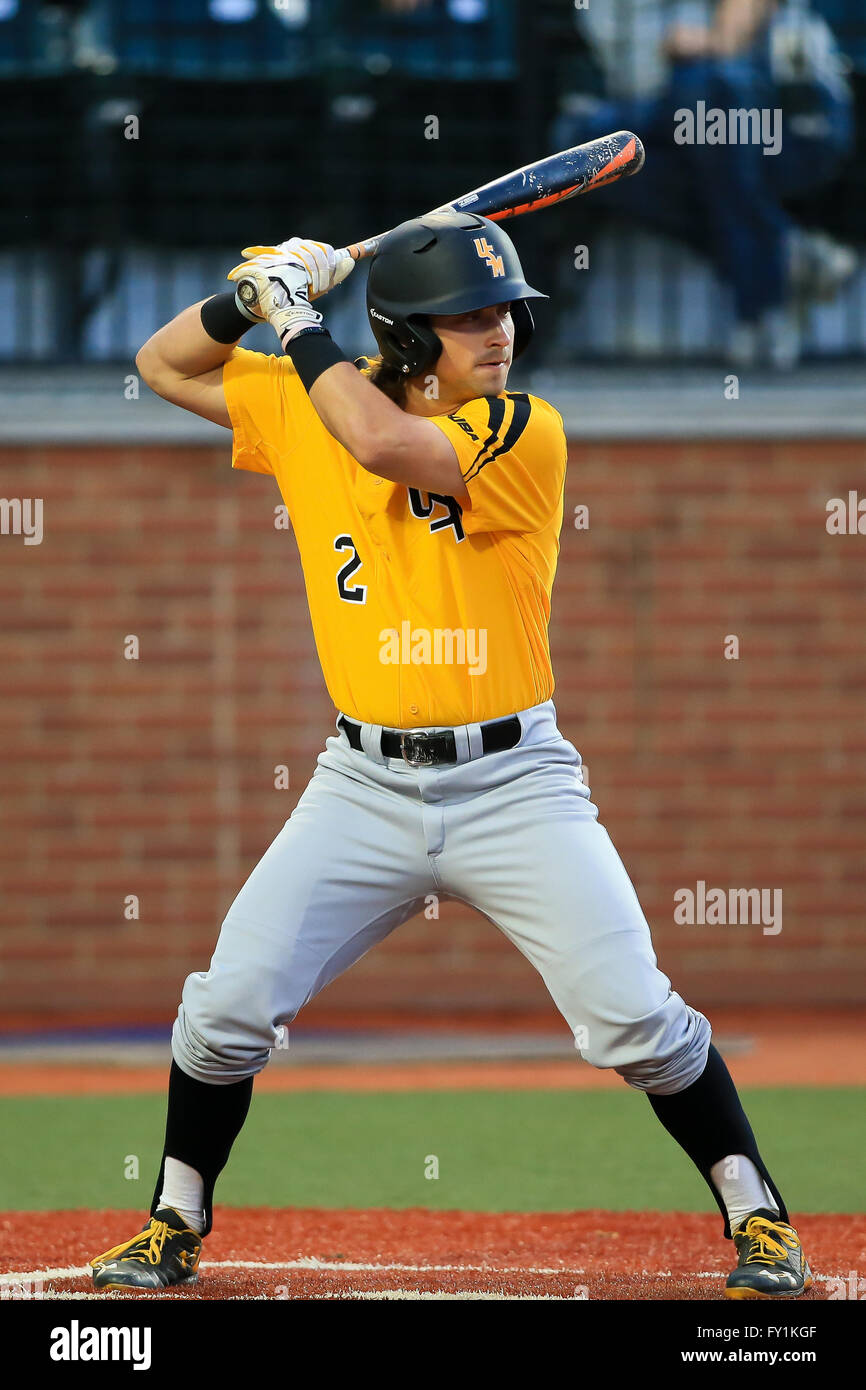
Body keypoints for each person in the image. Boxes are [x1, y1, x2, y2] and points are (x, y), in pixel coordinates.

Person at [88, 217, 811, 1299]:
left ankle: (759, 1219)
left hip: (514, 781)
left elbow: (384, 446)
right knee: (225, 1007)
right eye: (468, 317)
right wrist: (252, 301)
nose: (500, 331)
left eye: (503, 311)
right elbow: (158, 363)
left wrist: (292, 319)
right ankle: (172, 1221)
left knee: (631, 1016)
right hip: (359, 784)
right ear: (409, 336)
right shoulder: (301, 397)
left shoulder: (522, 428)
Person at [552, 0, 857, 366]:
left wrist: (710, 42)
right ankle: (781, 255)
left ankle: (762, 297)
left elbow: (742, 20)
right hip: (674, 122)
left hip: (786, 117)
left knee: (706, 89)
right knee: (581, 149)